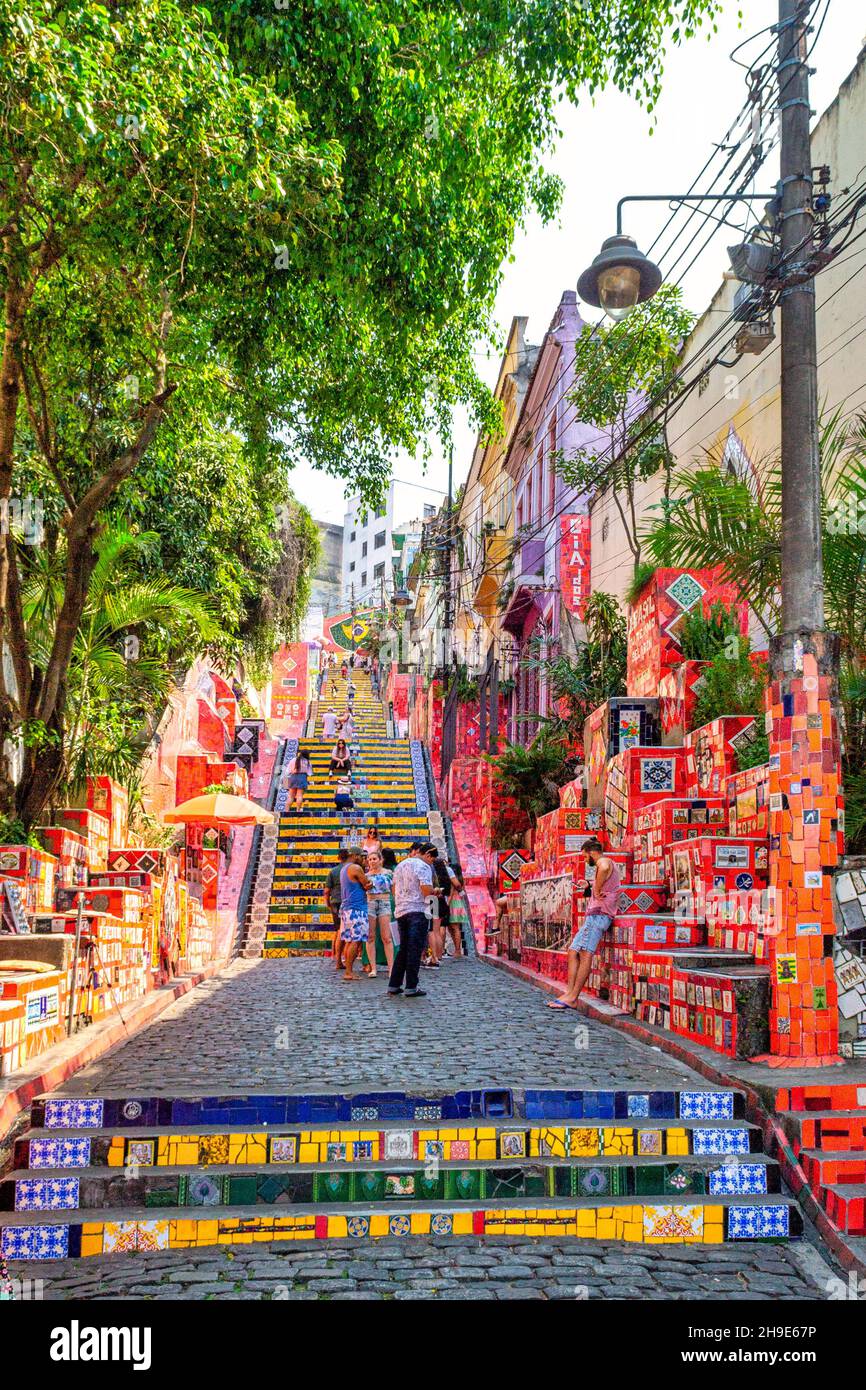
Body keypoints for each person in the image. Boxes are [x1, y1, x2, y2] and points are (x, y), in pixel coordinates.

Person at [547, 837, 621, 1011]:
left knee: (585, 953)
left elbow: (603, 867)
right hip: (594, 915)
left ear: (590, 852)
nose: (584, 859)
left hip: (599, 915)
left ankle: (573, 997)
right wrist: (589, 885)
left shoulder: (603, 861)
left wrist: (595, 890)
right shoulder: (605, 864)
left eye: (584, 856)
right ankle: (569, 992)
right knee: (573, 951)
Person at [388, 843, 442, 998]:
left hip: (401, 910)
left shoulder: (400, 865)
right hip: (418, 911)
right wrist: (435, 892)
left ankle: (394, 984)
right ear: (428, 855)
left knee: (403, 948)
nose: (431, 863)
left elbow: (393, 889)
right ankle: (411, 985)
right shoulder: (423, 866)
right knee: (414, 949)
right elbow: (426, 891)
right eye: (432, 860)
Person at [339, 850, 373, 980]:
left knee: (349, 941)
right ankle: (348, 972)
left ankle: (348, 970)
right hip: (357, 908)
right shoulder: (355, 868)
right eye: (362, 857)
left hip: (348, 907)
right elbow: (367, 884)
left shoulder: (344, 869)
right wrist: (371, 883)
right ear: (355, 856)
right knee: (356, 941)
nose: (364, 859)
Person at [364, 849, 395, 977]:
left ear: (380, 860)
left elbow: (394, 890)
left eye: (374, 859)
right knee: (370, 936)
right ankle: (373, 968)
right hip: (370, 903)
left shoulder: (388, 873)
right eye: (370, 859)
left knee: (386, 937)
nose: (372, 861)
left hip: (385, 902)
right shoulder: (365, 876)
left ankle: (391, 968)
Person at [430, 849, 465, 959]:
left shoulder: (430, 869)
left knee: (436, 928)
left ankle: (437, 954)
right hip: (446, 900)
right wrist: (460, 891)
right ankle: (443, 952)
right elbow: (456, 884)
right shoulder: (448, 871)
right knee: (445, 926)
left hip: (434, 899)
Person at [324, 848, 349, 970]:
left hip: (336, 902)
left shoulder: (333, 871)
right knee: (345, 931)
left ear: (338, 858)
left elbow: (327, 891)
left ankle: (337, 958)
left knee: (339, 930)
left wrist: (328, 903)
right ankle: (343, 958)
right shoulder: (351, 869)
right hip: (347, 901)